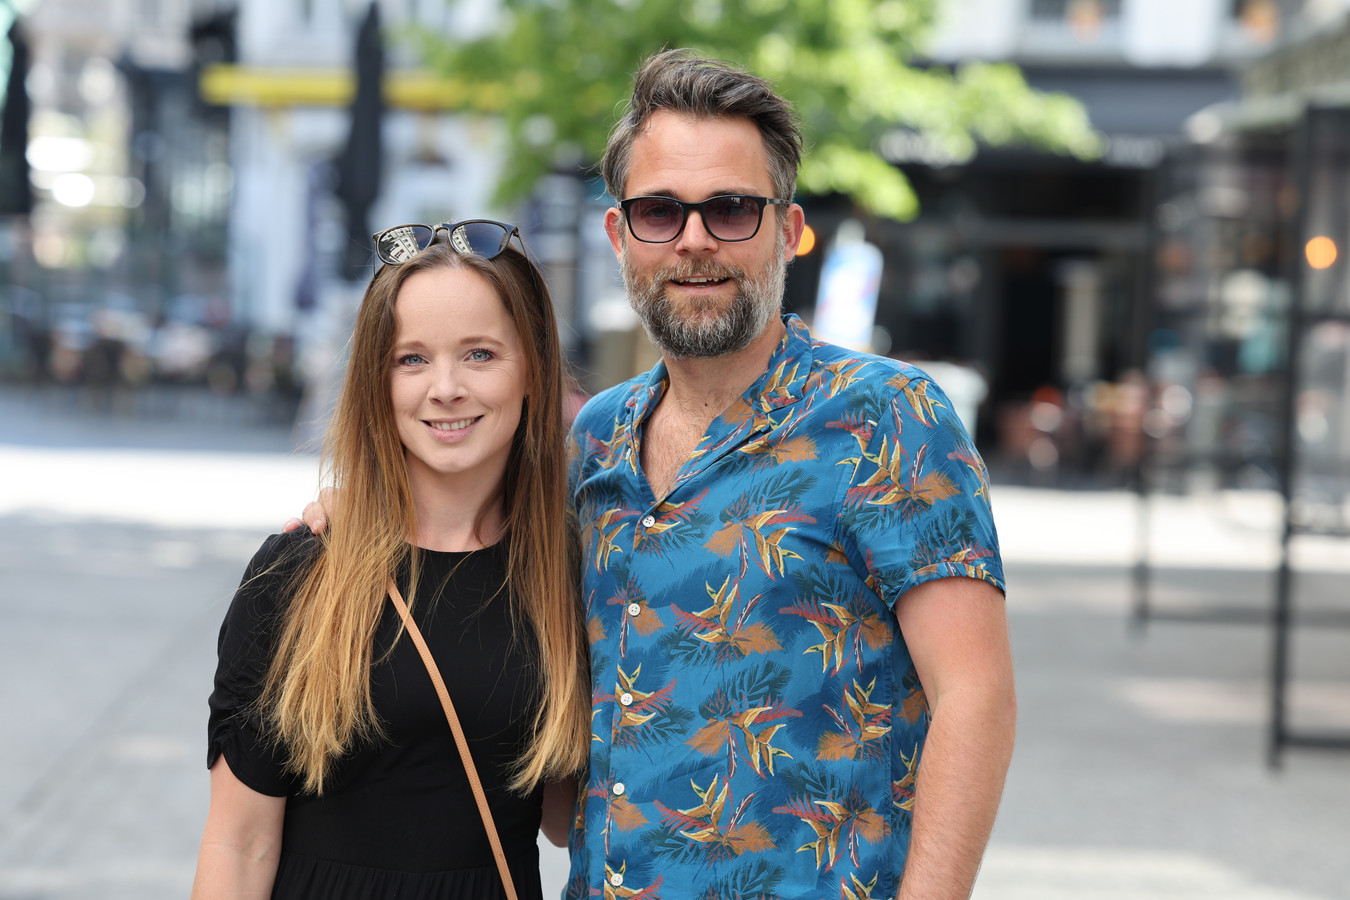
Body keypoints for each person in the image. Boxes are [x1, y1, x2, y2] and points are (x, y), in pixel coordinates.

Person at [299, 51, 1015, 900]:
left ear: (786, 230)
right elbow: (483, 553)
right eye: (661, 211)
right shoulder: (595, 437)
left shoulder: (887, 417)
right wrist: (367, 514)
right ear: (620, 234)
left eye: (732, 209)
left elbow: (976, 699)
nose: (696, 240)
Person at [192, 220, 590, 900]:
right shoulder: (301, 573)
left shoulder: (571, 572)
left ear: (534, 368)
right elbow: (240, 842)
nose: (445, 388)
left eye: (481, 355)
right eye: (412, 359)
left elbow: (565, 819)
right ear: (376, 381)